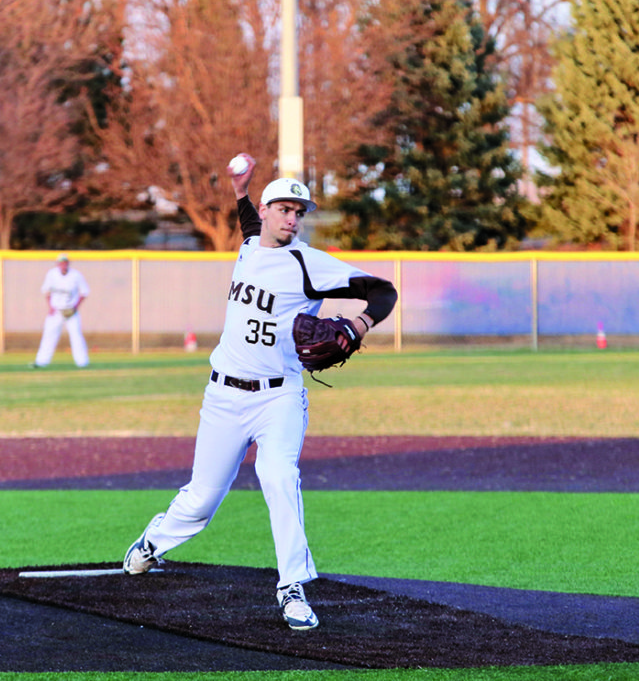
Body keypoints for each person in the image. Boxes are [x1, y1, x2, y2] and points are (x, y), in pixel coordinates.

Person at [122, 154, 398, 631]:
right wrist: (239, 189)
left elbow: (384, 291)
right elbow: (250, 223)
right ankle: (151, 543)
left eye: (300, 211)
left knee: (278, 476)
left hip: (280, 398)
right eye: (285, 209)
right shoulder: (250, 244)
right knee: (202, 499)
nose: (293, 218)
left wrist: (356, 325)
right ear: (268, 212)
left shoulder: (309, 263)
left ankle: (292, 587)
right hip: (224, 397)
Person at [30, 253, 90, 368]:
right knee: (48, 335)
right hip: (56, 310)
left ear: (68, 263)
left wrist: (76, 307)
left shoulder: (76, 275)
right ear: (57, 264)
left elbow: (84, 292)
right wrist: (50, 307)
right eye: (61, 263)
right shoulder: (52, 274)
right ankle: (42, 362)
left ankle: (82, 362)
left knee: (76, 336)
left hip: (71, 311)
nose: (63, 265)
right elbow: (46, 291)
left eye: (65, 262)